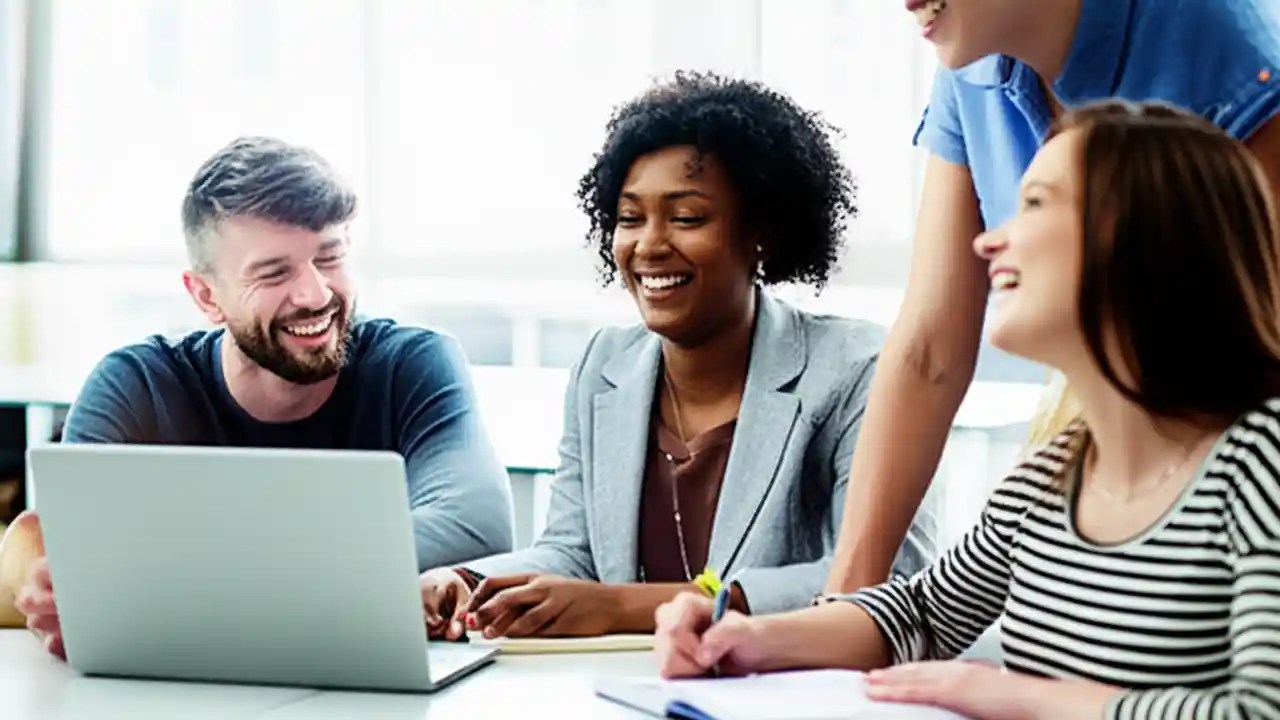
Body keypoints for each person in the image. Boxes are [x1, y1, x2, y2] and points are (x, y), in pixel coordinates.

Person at [654, 100, 1280, 718]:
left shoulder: (1260, 458)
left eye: (1034, 204)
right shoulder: (1051, 474)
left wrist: (1020, 697)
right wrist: (745, 638)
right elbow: (921, 613)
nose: (988, 239)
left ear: (1144, 236)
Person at [418, 72, 937, 642]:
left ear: (760, 233)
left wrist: (625, 607)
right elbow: (574, 553)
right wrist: (467, 581)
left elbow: (885, 577)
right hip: (627, 688)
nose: (649, 245)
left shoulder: (853, 368)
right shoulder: (604, 365)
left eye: (687, 218)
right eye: (630, 218)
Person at [828, 0, 1280, 593]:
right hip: (1103, 427)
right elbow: (929, 349)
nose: (992, 243)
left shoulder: (1222, 45)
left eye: (1036, 205)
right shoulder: (970, 57)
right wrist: (841, 596)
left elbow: (1255, 334)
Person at [1, 136, 514, 658]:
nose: (315, 294)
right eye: (274, 273)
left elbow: (477, 524)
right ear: (206, 296)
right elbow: (77, 559)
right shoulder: (136, 386)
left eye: (329, 257)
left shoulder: (414, 365)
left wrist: (184, 582)